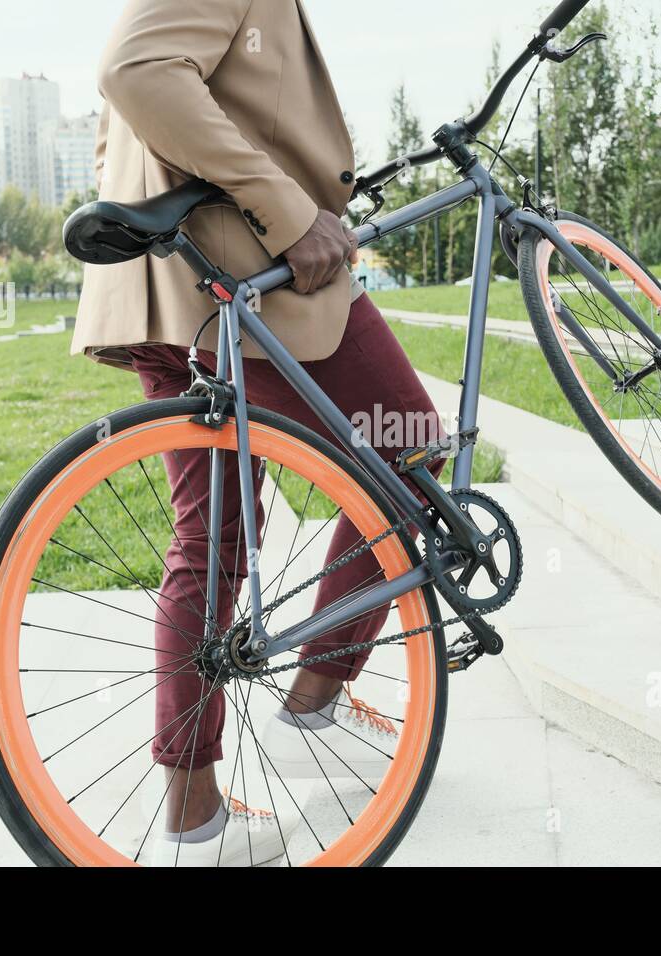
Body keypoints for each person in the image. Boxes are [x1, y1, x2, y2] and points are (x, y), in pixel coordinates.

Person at [72, 0, 445, 866]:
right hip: (245, 275)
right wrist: (288, 206)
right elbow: (133, 72)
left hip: (163, 288)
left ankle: (195, 819)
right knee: (413, 453)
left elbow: (148, 110)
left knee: (211, 537)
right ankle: (314, 704)